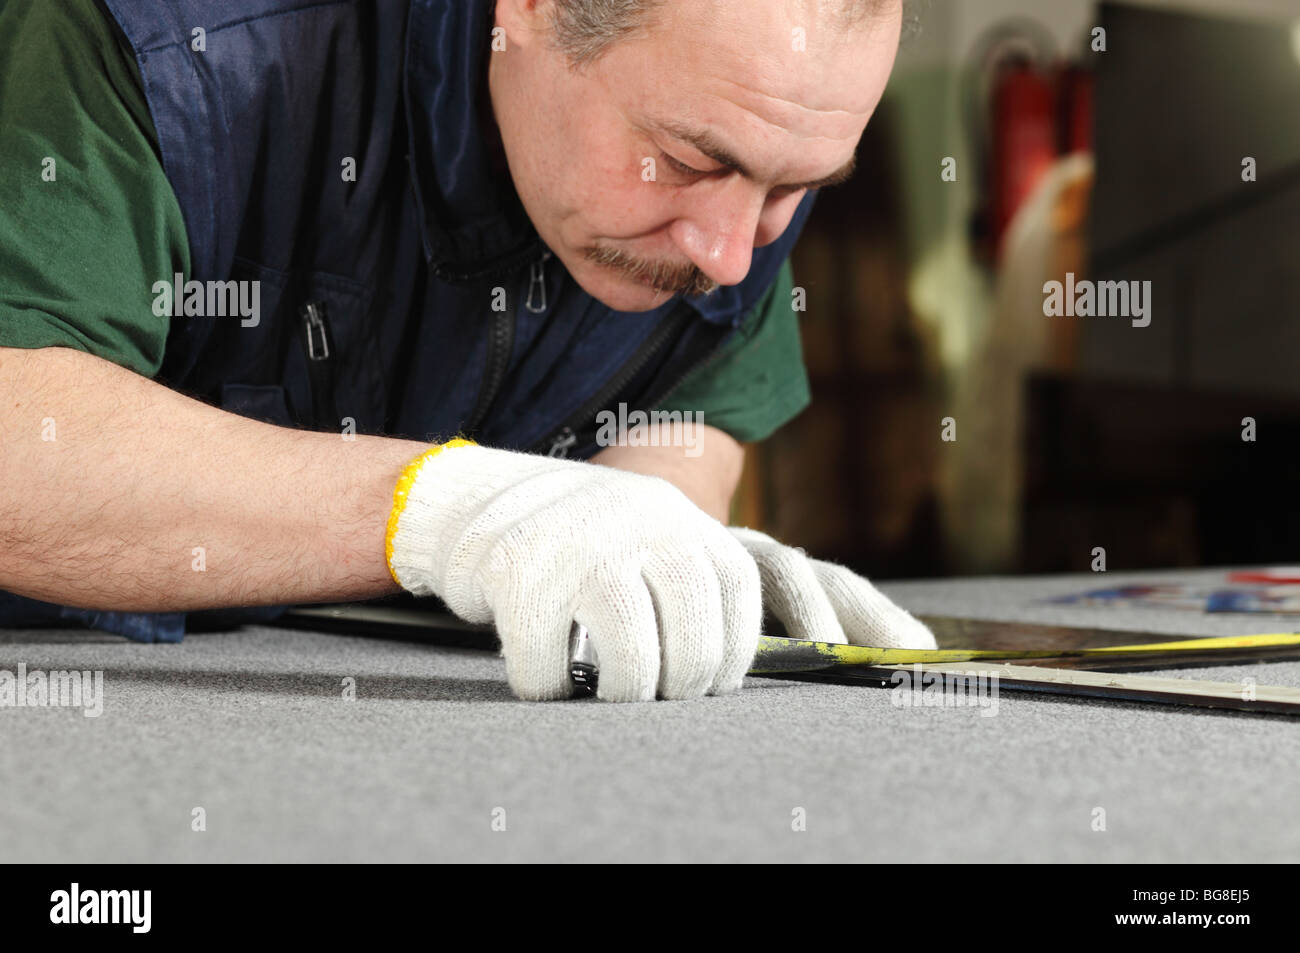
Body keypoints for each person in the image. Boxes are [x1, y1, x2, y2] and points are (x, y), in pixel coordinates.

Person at [0, 0, 935, 702]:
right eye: (689, 163)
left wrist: (679, 567)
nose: (731, 256)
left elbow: (672, 443)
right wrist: (453, 509)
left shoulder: (740, 168)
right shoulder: (176, 42)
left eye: (794, 190)